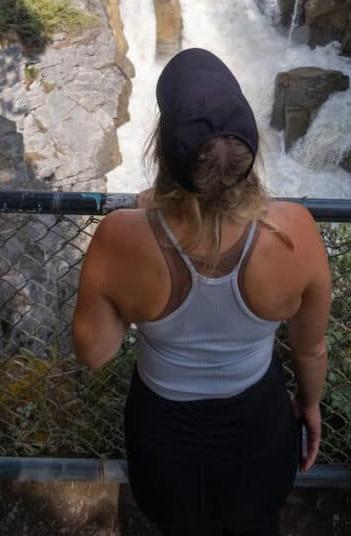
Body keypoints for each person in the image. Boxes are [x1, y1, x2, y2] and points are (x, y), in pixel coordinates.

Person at [73, 47, 332, 536]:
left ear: (165, 151)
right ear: (247, 151)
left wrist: (145, 233)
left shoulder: (121, 236)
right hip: (259, 429)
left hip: (163, 436)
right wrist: (310, 404)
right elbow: (311, 348)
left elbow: (95, 352)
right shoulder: (294, 231)